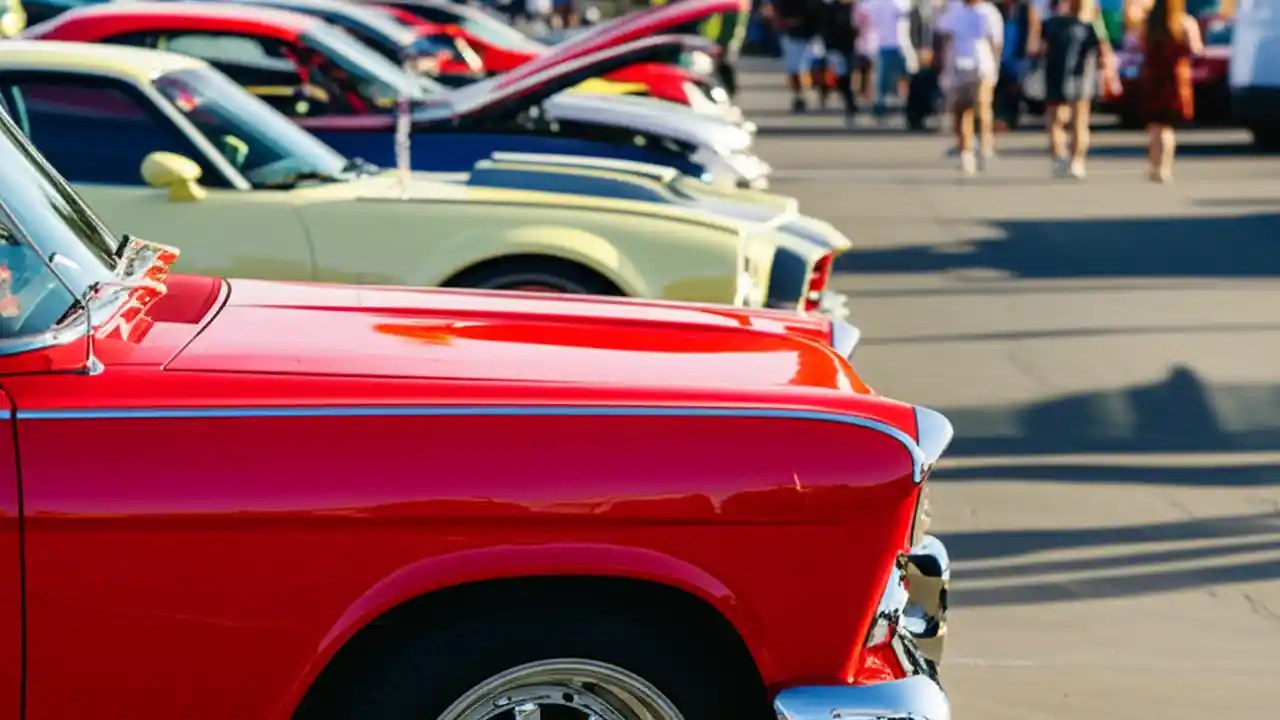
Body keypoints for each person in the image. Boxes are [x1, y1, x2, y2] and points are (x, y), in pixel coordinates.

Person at [1041, 0, 1119, 178]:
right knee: (1079, 121)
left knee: (1055, 120)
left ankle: (1058, 157)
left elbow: (1041, 48)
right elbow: (1104, 50)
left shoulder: (1053, 23)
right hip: (1081, 76)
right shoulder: (1091, 25)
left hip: (1056, 74)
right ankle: (1076, 161)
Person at [1138, 0, 1201, 182]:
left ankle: (1153, 165)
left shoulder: (1149, 23)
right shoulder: (1184, 22)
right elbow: (1196, 49)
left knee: (1155, 126)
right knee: (1168, 126)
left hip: (1153, 76)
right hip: (1175, 78)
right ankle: (1164, 168)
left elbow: (1142, 45)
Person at [938, 0, 1003, 174]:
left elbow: (995, 41)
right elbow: (945, 36)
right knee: (961, 109)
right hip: (959, 64)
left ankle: (985, 146)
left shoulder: (989, 12)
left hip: (982, 65)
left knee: (982, 106)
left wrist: (995, 66)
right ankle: (965, 150)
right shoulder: (955, 11)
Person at [857, 0, 918, 120]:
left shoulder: (899, 3)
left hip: (901, 46)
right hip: (886, 45)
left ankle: (910, 107)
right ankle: (881, 106)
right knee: (883, 80)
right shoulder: (878, 4)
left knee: (908, 77)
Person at [764, 0, 827, 112]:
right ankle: (799, 96)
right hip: (791, 36)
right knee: (794, 69)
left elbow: (822, 10)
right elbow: (775, 11)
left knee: (816, 67)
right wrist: (783, 22)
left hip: (812, 35)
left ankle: (821, 91)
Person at [816, 0, 859, 120]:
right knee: (840, 75)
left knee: (846, 75)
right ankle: (848, 100)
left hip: (848, 46)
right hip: (834, 46)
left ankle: (847, 99)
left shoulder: (854, 8)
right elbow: (824, 26)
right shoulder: (830, 8)